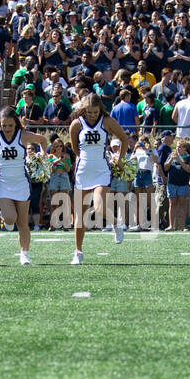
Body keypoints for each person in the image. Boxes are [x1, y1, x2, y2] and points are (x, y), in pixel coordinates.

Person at [0, 108, 50, 264]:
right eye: (4, 125)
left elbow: (42, 140)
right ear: (0, 125)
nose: (7, 129)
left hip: (21, 182)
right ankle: (6, 221)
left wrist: (43, 156)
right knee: (10, 218)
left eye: (10, 126)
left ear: (16, 124)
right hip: (3, 183)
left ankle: (24, 253)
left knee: (22, 222)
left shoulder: (23, 136)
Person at [66, 93, 131, 263]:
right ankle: (78, 252)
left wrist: (119, 159)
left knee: (99, 206)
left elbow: (124, 139)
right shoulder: (76, 124)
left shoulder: (107, 121)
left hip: (102, 170)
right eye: (89, 112)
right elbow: (75, 148)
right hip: (83, 171)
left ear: (100, 109)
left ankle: (116, 223)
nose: (93, 115)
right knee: (80, 215)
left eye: (95, 112)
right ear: (83, 110)